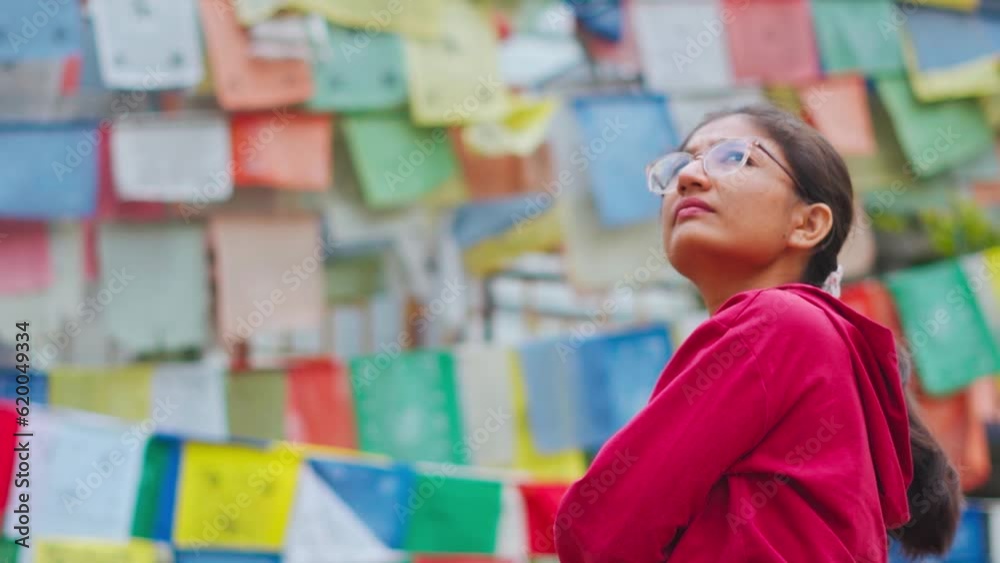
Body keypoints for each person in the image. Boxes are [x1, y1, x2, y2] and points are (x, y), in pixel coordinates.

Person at [553, 105, 961, 562]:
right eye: (678, 165)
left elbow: (598, 525)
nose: (689, 177)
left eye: (734, 158)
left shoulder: (779, 321)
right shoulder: (821, 343)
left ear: (807, 224)